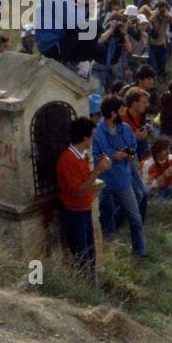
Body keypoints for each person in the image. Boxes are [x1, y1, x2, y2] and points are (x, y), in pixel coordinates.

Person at [57, 116, 112, 279]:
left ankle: (91, 288)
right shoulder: (67, 160)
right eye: (91, 136)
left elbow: (84, 181)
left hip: (84, 210)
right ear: (84, 138)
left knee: (91, 255)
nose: (93, 140)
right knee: (82, 258)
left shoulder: (82, 156)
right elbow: (79, 191)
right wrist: (98, 171)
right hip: (74, 214)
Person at [93, 95, 147, 258]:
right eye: (121, 109)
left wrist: (130, 155)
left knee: (135, 216)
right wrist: (112, 155)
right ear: (112, 112)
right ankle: (108, 243)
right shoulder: (97, 132)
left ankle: (139, 250)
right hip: (104, 180)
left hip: (123, 179)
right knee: (105, 212)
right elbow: (95, 156)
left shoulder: (125, 128)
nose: (124, 112)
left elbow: (133, 146)